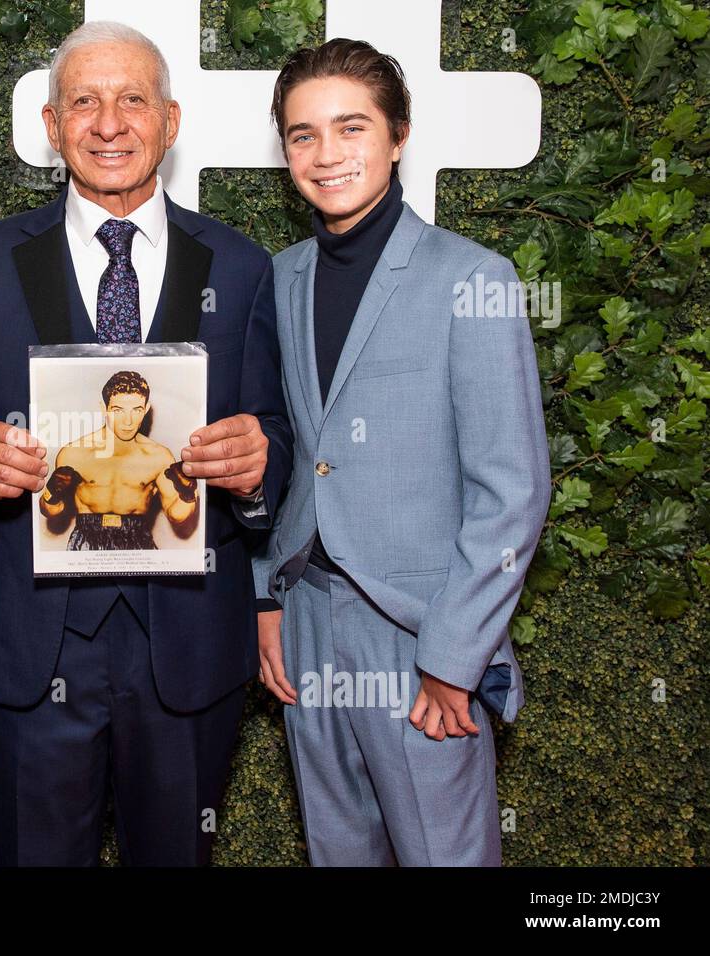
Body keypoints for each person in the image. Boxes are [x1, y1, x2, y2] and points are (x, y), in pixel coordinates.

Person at [0, 20, 293, 866]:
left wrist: (256, 462)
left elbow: (275, 426)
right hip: (32, 641)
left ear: (169, 121)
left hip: (187, 645)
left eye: (132, 99)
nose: (108, 122)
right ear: (52, 127)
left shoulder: (242, 268)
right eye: (83, 102)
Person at [251, 38, 551, 866]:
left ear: (398, 134)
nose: (326, 153)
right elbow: (279, 453)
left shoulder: (473, 278)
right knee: (336, 852)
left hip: (419, 634)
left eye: (351, 127)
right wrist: (266, 598)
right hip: (307, 619)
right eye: (303, 134)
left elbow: (513, 492)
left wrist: (454, 662)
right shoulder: (279, 278)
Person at [40, 369, 199, 550]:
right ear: (104, 408)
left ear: (146, 409)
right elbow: (50, 512)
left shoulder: (158, 456)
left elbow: (176, 514)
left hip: (138, 538)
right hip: (87, 539)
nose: (128, 422)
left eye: (137, 410)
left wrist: (187, 495)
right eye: (118, 410)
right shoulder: (74, 453)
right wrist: (51, 493)